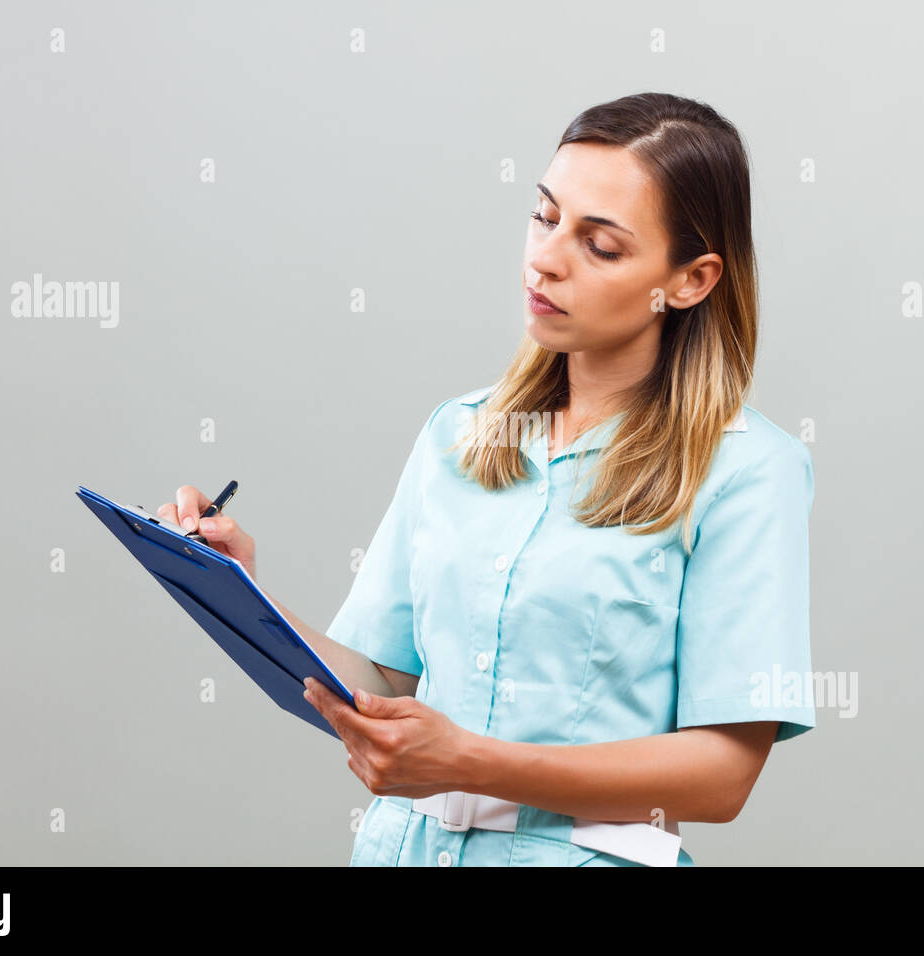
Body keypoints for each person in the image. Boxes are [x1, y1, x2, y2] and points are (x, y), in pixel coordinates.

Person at [159, 92, 816, 866]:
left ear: (691, 279)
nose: (547, 258)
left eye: (600, 246)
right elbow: (384, 690)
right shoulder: (460, 435)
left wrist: (471, 762)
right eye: (546, 217)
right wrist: (239, 592)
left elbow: (724, 776)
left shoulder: (746, 471)